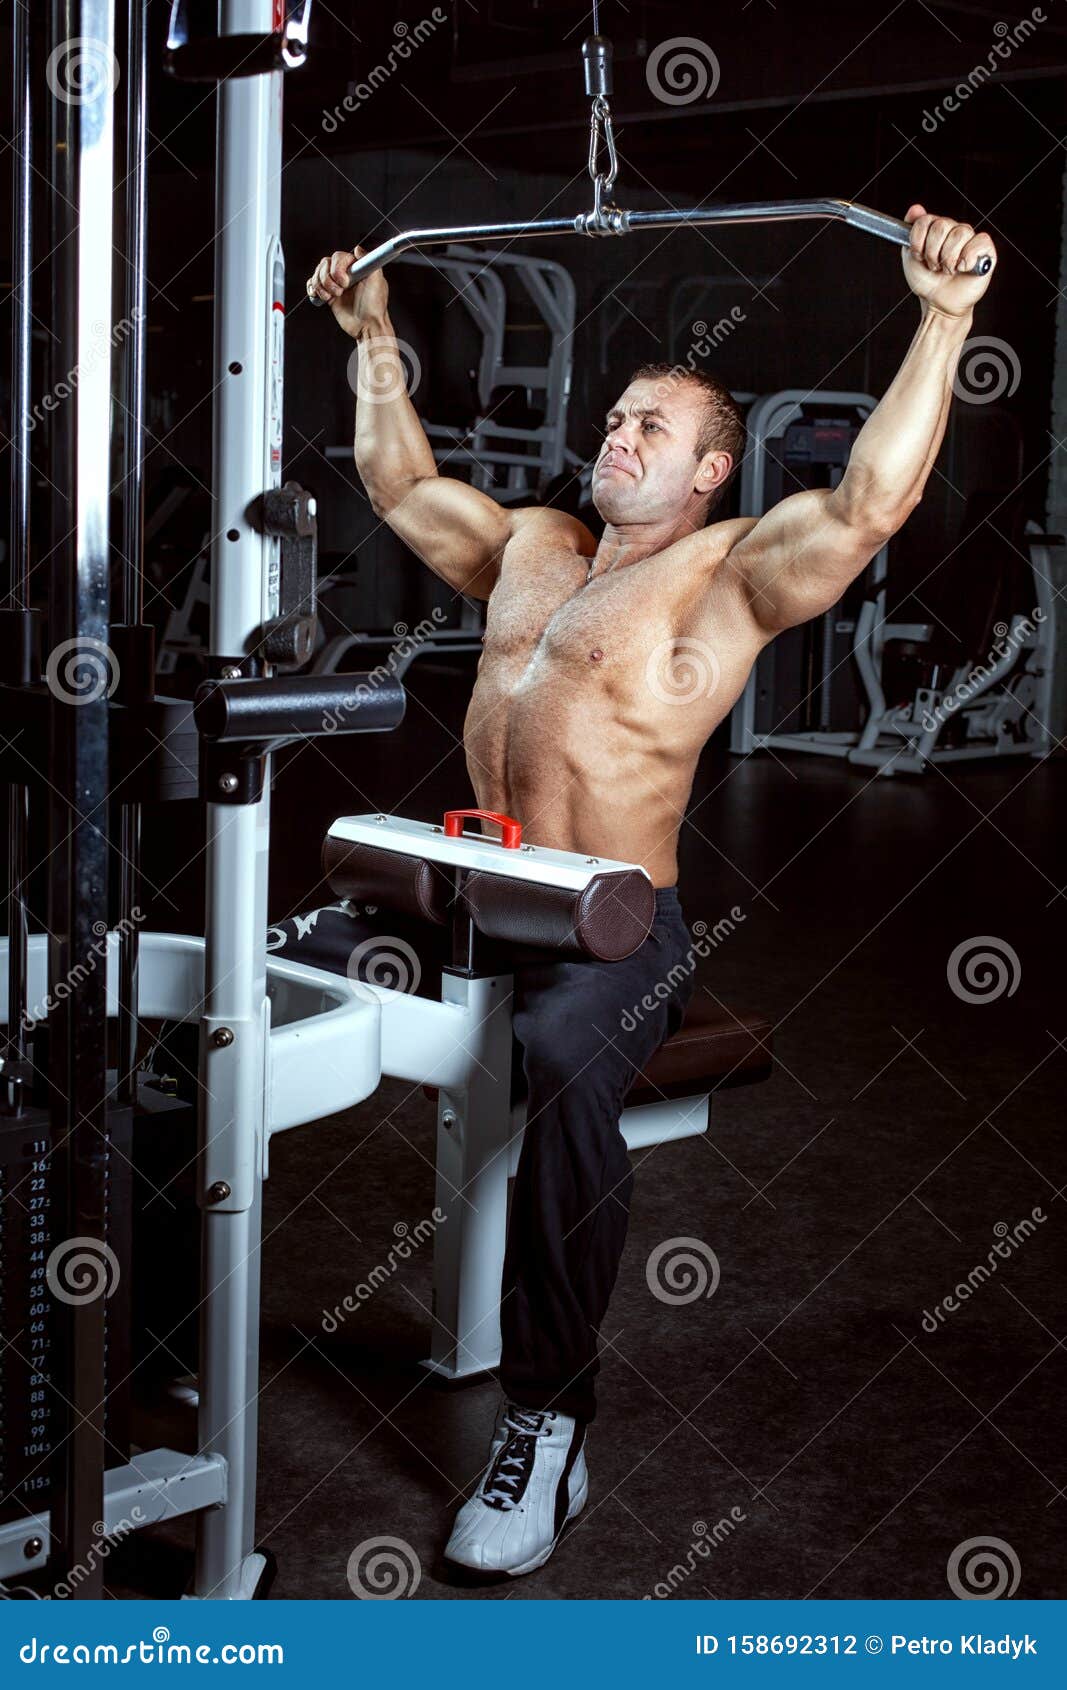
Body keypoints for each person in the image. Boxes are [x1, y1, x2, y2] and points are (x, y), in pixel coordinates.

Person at [292, 206, 995, 1578]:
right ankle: (161, 1345)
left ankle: (548, 1421)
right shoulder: (529, 545)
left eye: (650, 431)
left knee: (559, 1053)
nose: (617, 437)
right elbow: (397, 487)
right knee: (230, 979)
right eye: (615, 419)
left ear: (710, 471)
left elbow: (869, 503)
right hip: (467, 889)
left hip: (610, 921)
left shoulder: (725, 577)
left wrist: (945, 317)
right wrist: (374, 336)